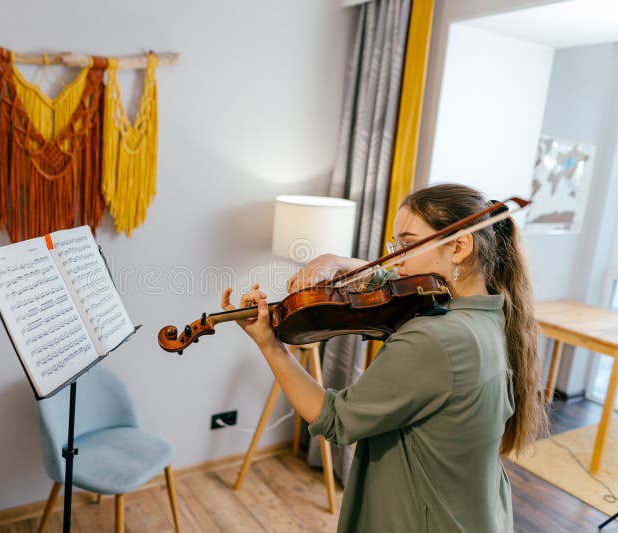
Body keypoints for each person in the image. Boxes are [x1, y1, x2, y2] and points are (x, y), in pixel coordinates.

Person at [221, 183, 548, 532]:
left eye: (407, 244)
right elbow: (395, 276)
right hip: (474, 512)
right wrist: (341, 262)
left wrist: (270, 346)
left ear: (458, 246)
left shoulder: (435, 338)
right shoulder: (494, 313)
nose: (395, 258)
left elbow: (335, 420)